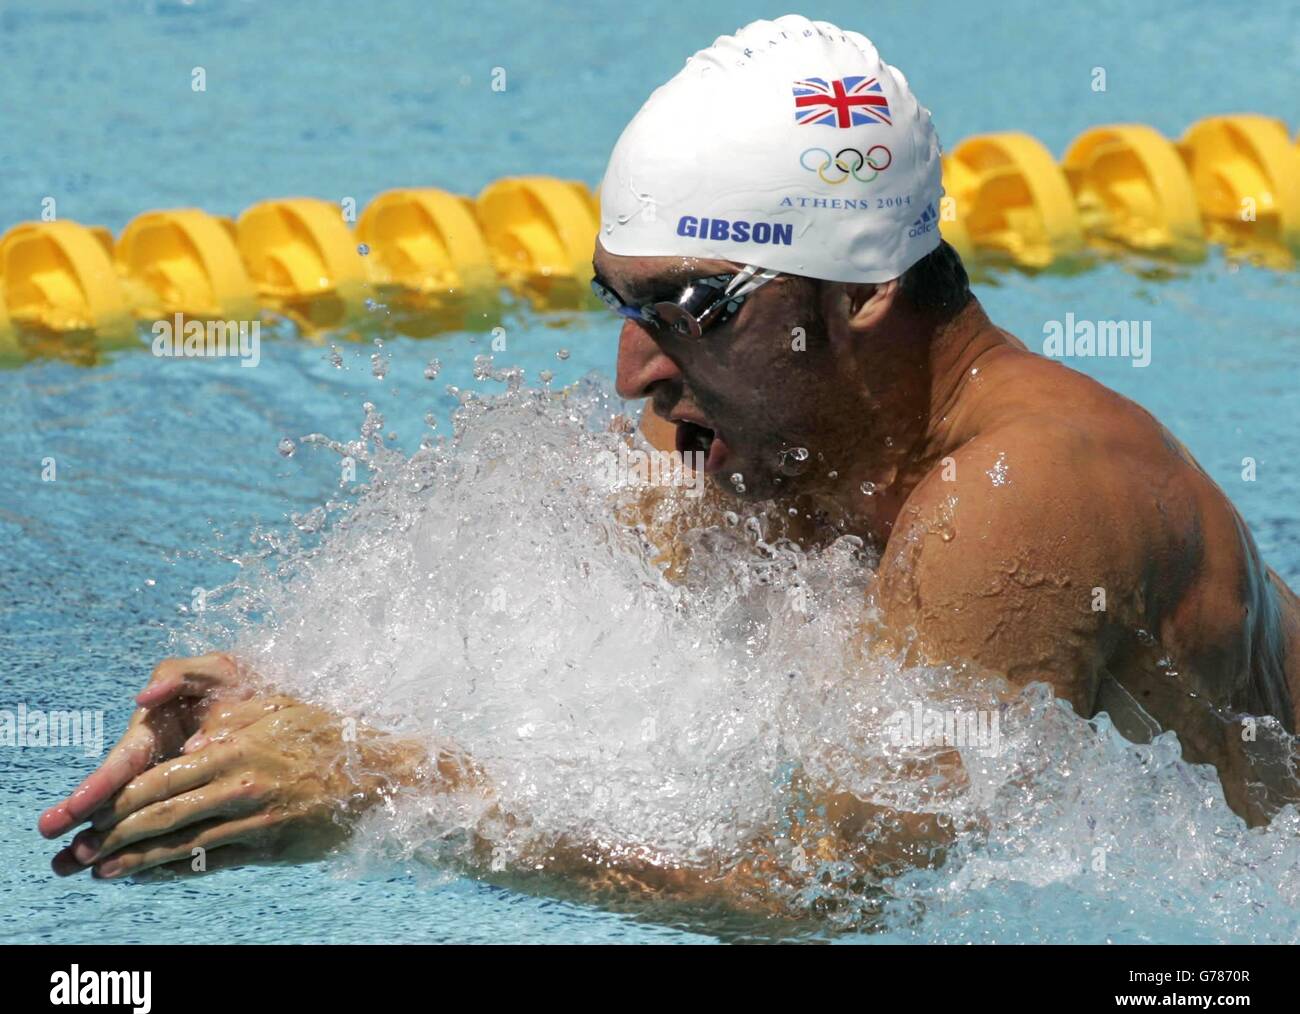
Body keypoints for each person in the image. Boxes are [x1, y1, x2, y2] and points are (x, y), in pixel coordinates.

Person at [39, 15, 1299, 901]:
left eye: (693, 307)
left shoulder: (1027, 497)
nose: (638, 372)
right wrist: (293, 710)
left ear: (855, 297)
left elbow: (837, 901)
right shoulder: (765, 437)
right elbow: (566, 636)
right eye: (621, 306)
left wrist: (384, 790)